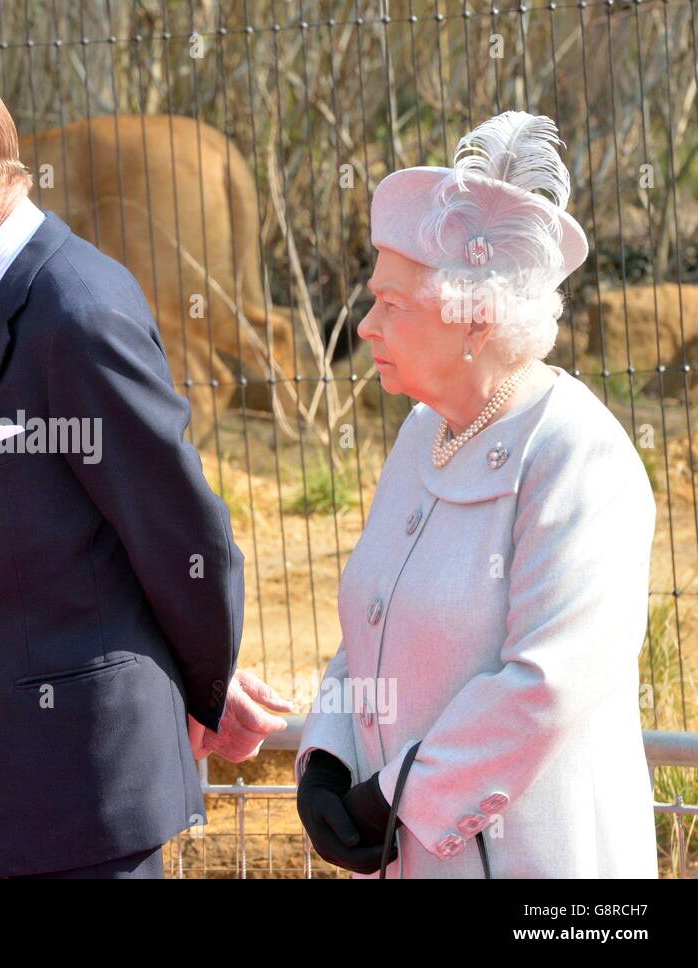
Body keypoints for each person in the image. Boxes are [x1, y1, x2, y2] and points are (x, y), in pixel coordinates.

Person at [0, 67, 293, 879]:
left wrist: (204, 684)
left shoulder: (74, 308)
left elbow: (183, 530)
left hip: (75, 815)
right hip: (8, 807)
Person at [295, 110, 659, 878]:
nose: (364, 327)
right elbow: (374, 612)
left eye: (391, 305)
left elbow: (544, 687)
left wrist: (394, 797)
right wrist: (329, 754)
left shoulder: (576, 455)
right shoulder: (423, 431)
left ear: (474, 317)